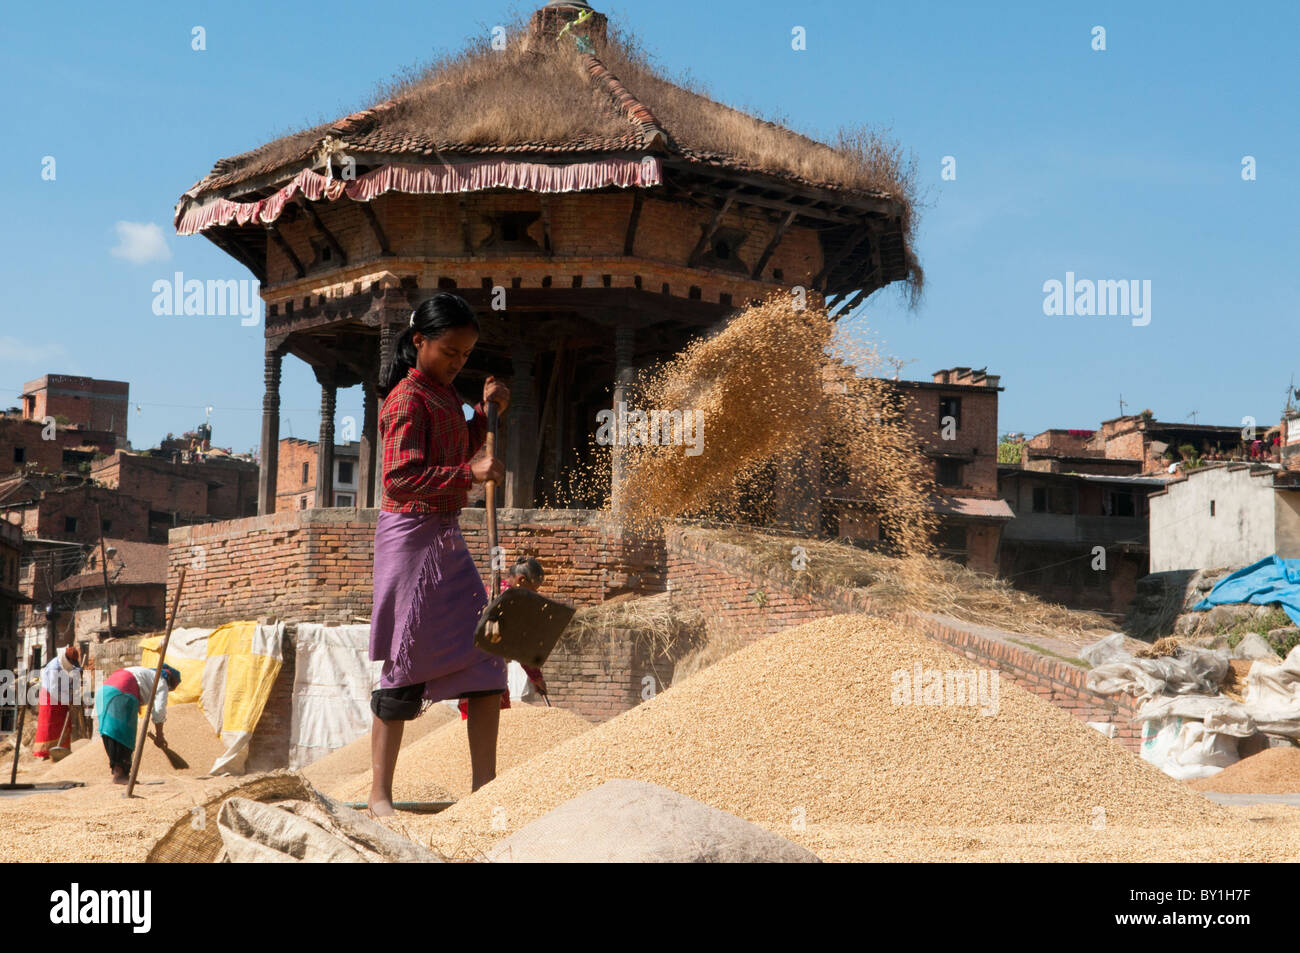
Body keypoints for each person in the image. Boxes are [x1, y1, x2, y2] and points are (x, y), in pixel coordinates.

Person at [368, 293, 511, 815]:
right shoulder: (406, 399)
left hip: (445, 536)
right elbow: (399, 478)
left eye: (467, 354)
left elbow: (459, 441)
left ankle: (485, 787)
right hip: (410, 539)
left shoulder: (447, 395)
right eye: (450, 350)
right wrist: (467, 474)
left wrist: (486, 410)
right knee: (405, 663)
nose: (458, 362)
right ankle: (380, 796)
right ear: (418, 341)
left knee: (487, 652)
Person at [459, 557, 549, 720]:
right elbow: (520, 643)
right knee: (495, 722)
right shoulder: (513, 600)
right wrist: (536, 677)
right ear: (522, 580)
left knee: (469, 721)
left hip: (468, 670)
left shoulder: (487, 590)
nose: (533, 594)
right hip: (488, 674)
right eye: (533, 589)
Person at [95, 663, 181, 784]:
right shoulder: (161, 681)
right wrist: (160, 735)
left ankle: (118, 772)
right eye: (172, 688)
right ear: (171, 680)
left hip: (104, 691)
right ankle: (120, 774)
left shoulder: (144, 673)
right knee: (124, 734)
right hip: (122, 692)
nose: (170, 690)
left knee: (111, 731)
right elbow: (159, 710)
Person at [33, 645, 81, 760]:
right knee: (49, 724)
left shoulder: (70, 664)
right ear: (66, 659)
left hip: (62, 696)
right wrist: (68, 698)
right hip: (50, 696)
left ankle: (62, 748)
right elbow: (53, 688)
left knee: (63, 722)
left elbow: (74, 674)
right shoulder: (54, 667)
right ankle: (45, 752)